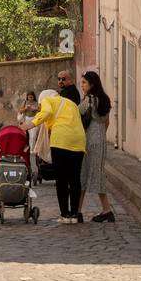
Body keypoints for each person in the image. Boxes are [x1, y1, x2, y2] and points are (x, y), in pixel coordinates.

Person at [30, 86, 86, 223]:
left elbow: (47, 111)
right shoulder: (71, 103)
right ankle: (75, 214)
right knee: (74, 178)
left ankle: (65, 215)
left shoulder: (48, 101)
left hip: (61, 141)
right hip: (79, 141)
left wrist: (31, 123)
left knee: (61, 179)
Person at [78, 70, 115, 222]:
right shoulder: (104, 99)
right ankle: (106, 210)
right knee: (96, 173)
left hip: (89, 139)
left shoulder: (89, 99)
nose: (82, 85)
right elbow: (106, 122)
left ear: (91, 84)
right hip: (100, 139)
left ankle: (78, 210)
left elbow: (77, 114)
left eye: (84, 83)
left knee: (83, 174)